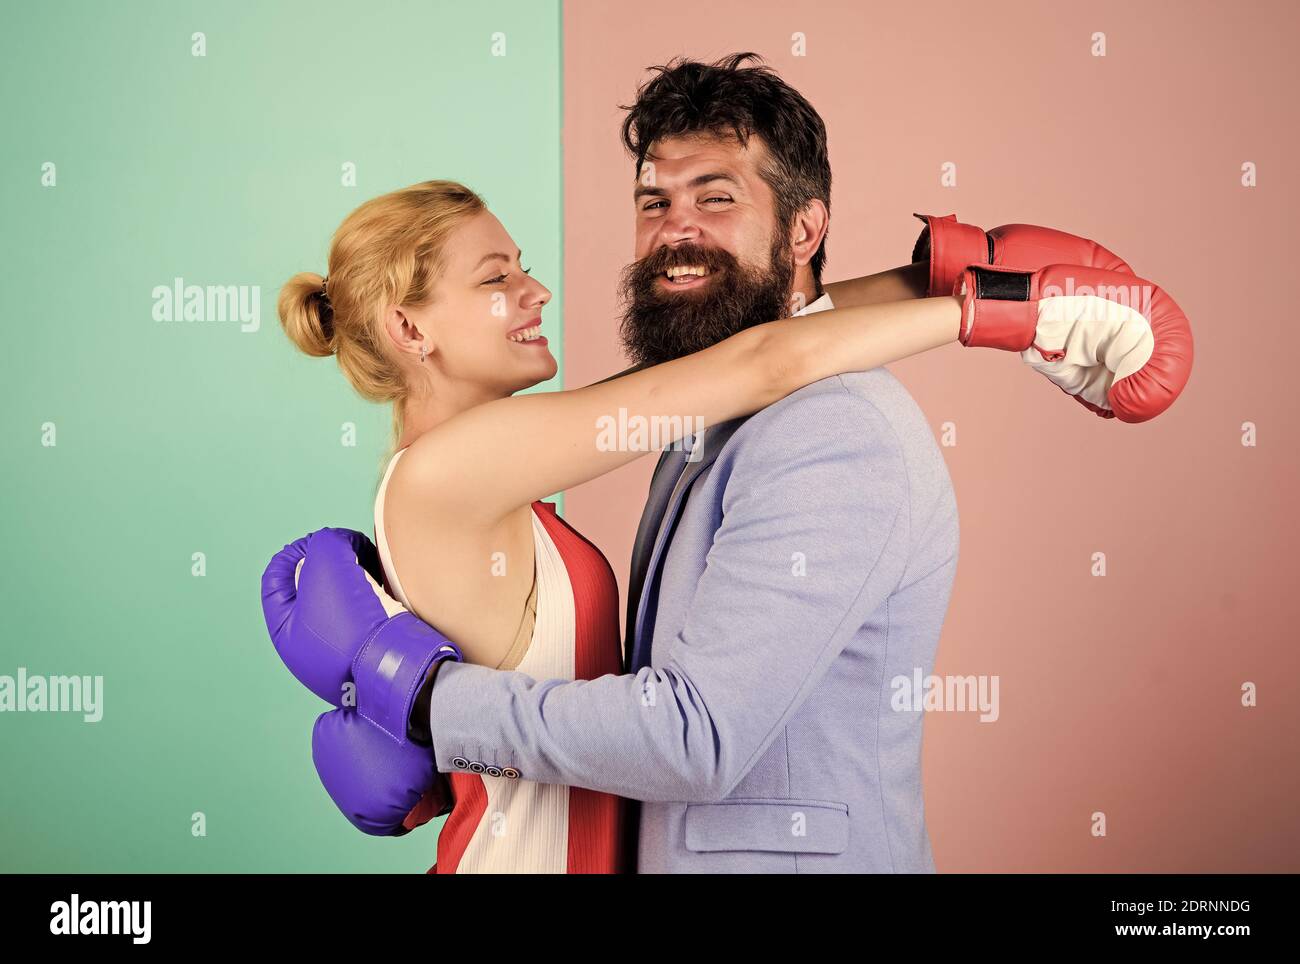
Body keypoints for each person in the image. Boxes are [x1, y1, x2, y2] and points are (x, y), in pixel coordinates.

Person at [262, 55, 1190, 874]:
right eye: (495, 277)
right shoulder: (464, 463)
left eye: (716, 198)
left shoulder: (799, 427)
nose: (535, 289)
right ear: (409, 326)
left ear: (802, 227)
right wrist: (996, 309)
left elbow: (758, 350)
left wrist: (949, 274)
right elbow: (758, 357)